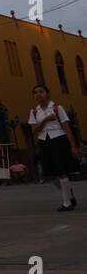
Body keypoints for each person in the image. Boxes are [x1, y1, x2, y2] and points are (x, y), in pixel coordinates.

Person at [29, 84, 81, 212]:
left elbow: (66, 127)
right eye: (35, 92)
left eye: (41, 91)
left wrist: (73, 146)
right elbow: (34, 131)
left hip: (58, 139)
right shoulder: (34, 111)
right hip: (44, 141)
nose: (38, 94)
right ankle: (69, 193)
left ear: (47, 93)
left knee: (61, 171)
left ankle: (66, 203)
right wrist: (46, 119)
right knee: (50, 174)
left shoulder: (58, 108)